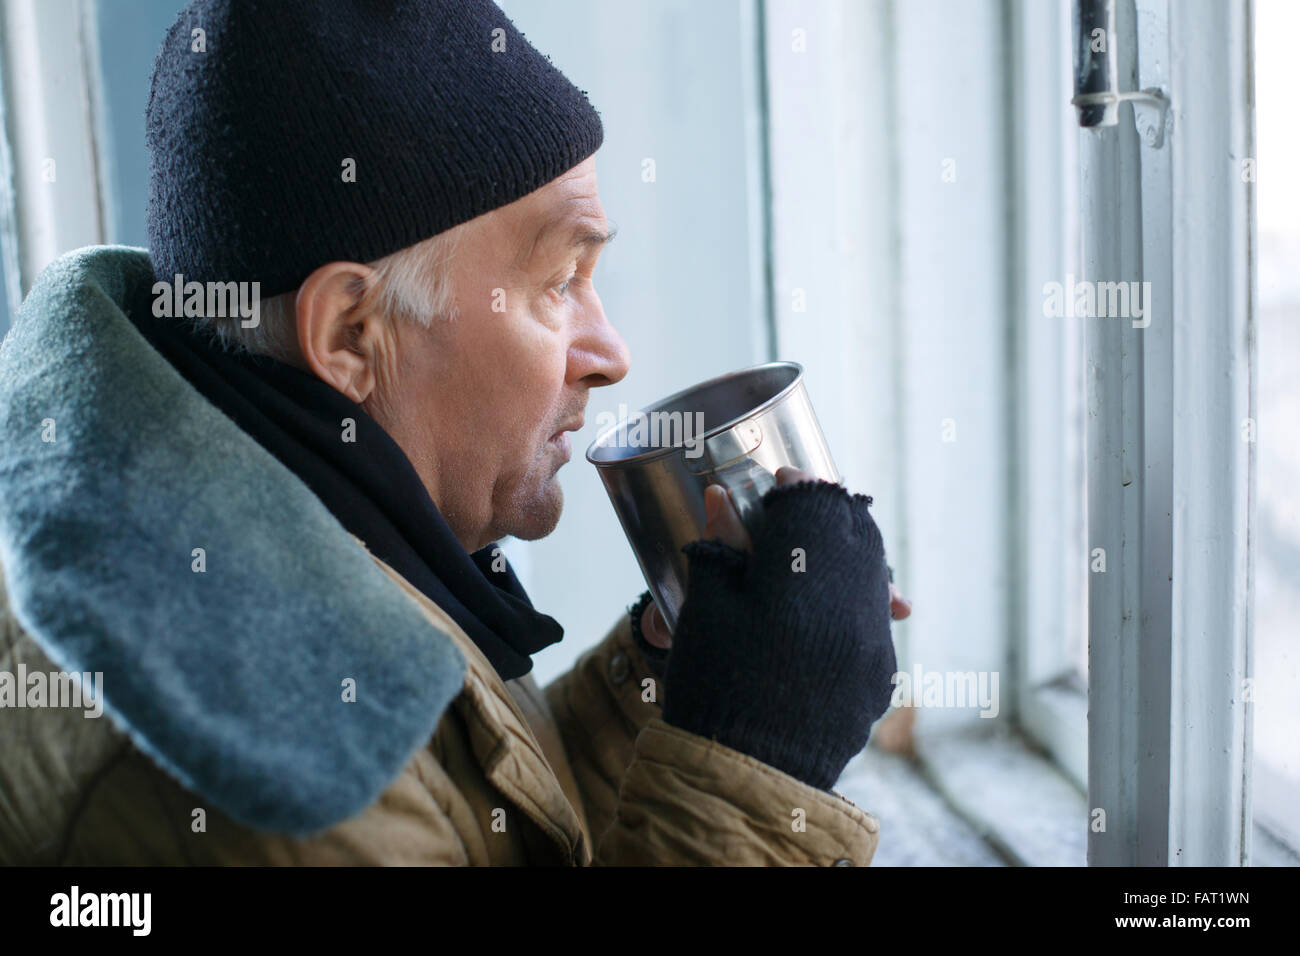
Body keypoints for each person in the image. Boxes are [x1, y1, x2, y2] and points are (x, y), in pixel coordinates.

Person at [0, 0, 908, 866]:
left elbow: (484, 826)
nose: (611, 354)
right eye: (559, 283)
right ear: (354, 335)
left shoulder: (303, 521)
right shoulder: (278, 776)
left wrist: (677, 672)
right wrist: (756, 765)